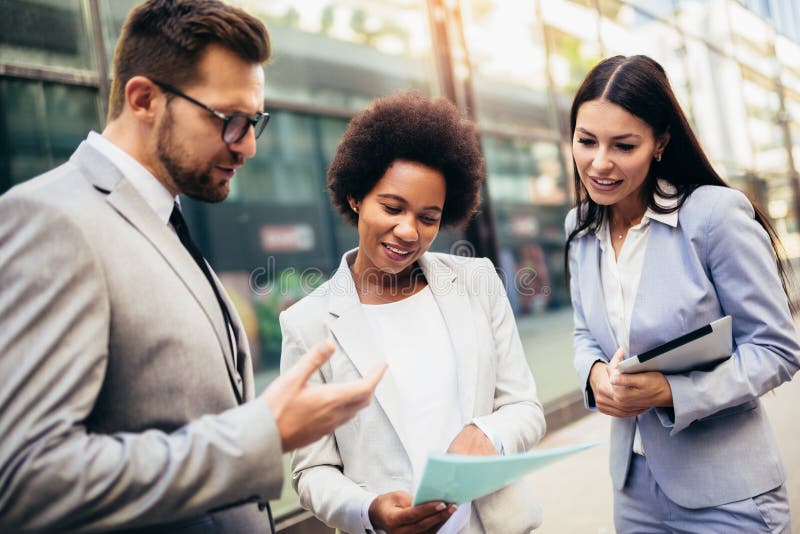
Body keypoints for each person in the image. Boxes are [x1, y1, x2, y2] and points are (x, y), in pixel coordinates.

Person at [0, 1, 384, 532]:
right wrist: (262, 435)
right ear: (143, 100)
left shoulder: (163, 218)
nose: (247, 145)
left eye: (255, 123)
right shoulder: (52, 220)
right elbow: (25, 479)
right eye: (230, 120)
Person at [280, 91, 546, 534]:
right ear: (355, 197)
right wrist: (370, 510)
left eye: (428, 217)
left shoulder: (477, 283)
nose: (408, 231)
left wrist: (489, 433)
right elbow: (311, 471)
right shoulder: (309, 324)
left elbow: (524, 408)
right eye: (392, 207)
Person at [565, 54, 800, 532]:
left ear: (660, 144)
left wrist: (673, 392)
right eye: (586, 141)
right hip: (633, 491)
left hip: (728, 494)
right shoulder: (580, 227)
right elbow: (583, 332)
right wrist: (594, 374)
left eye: (624, 145)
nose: (599, 162)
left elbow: (776, 349)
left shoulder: (714, 216)